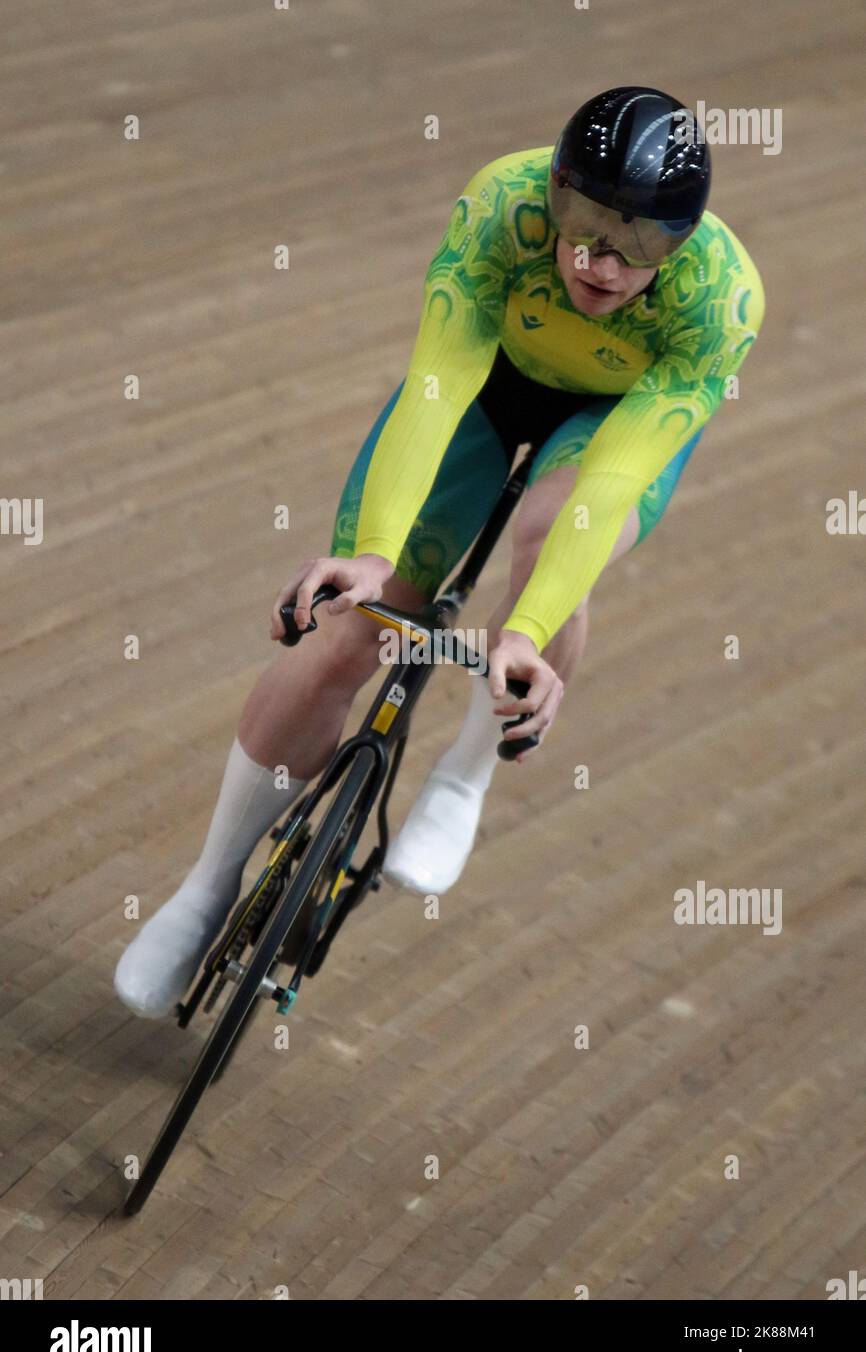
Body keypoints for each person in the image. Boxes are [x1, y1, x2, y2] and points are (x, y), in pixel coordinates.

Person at [115, 86, 764, 1019]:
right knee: (347, 633)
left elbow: (615, 481)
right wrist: (372, 555)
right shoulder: (504, 206)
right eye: (584, 223)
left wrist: (529, 627)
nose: (603, 261)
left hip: (610, 422)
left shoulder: (720, 300)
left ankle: (464, 771)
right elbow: (439, 380)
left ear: (685, 244)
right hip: (488, 383)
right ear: (555, 191)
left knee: (551, 543)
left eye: (643, 245)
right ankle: (208, 886)